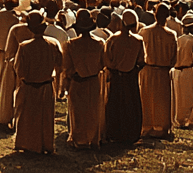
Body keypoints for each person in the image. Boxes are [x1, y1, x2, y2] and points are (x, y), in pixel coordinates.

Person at [12, 9, 62, 154]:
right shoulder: (53, 44)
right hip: (46, 85)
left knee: (28, 117)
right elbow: (60, 64)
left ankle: (28, 144)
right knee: (46, 118)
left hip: (29, 85)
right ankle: (46, 144)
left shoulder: (24, 46)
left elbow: (19, 69)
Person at [63, 9, 105, 148]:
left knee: (78, 112)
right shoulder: (99, 43)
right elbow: (103, 63)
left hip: (77, 81)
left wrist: (68, 79)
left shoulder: (71, 44)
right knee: (93, 111)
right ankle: (93, 138)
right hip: (93, 80)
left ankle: (79, 139)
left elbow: (66, 66)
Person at [104, 10, 145, 144]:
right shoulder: (138, 40)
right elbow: (142, 61)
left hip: (116, 76)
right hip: (131, 77)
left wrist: (114, 69)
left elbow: (107, 60)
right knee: (131, 106)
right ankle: (131, 133)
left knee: (115, 105)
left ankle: (115, 133)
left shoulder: (112, 39)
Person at [139, 2, 177, 138]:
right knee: (162, 101)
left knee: (147, 99)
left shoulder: (144, 32)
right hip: (163, 71)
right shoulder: (171, 35)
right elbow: (174, 58)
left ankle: (147, 126)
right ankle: (161, 127)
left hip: (148, 69)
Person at [171, 13, 193, 128]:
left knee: (178, 97)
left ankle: (178, 119)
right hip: (189, 70)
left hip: (176, 71)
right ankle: (187, 119)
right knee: (188, 97)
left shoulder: (177, 39)